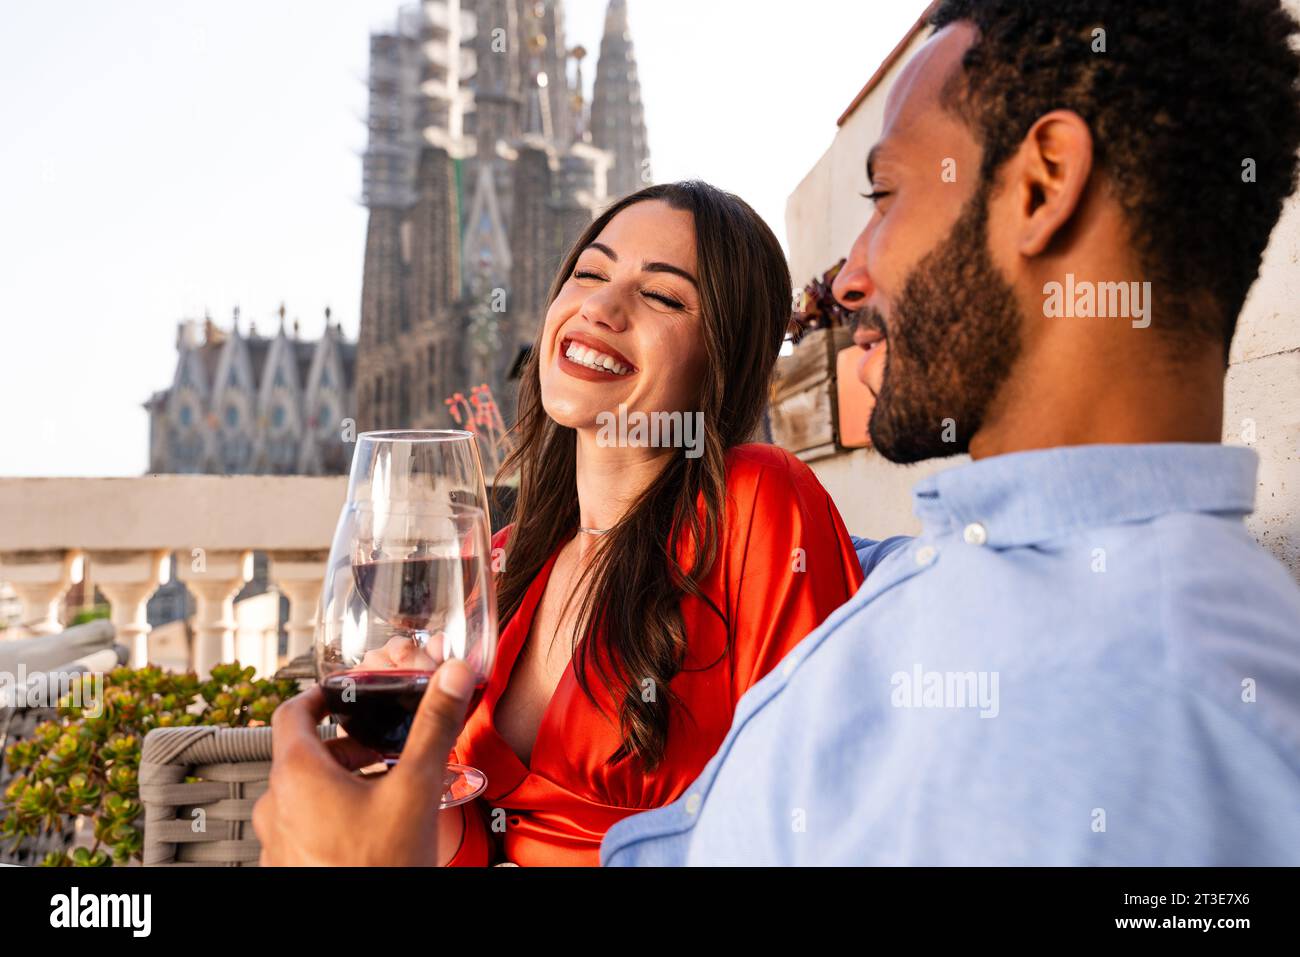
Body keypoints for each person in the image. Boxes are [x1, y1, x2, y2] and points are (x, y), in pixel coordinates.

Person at [599, 0, 1300, 865]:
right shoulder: (995, 572)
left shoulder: (1158, 723)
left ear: (1043, 186)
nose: (850, 275)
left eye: (885, 195)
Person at [252, 182, 865, 866]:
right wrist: (405, 774)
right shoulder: (509, 562)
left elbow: (825, 816)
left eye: (661, 295)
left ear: (722, 358)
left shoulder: (755, 500)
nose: (600, 306)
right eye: (589, 272)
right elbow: (478, 840)